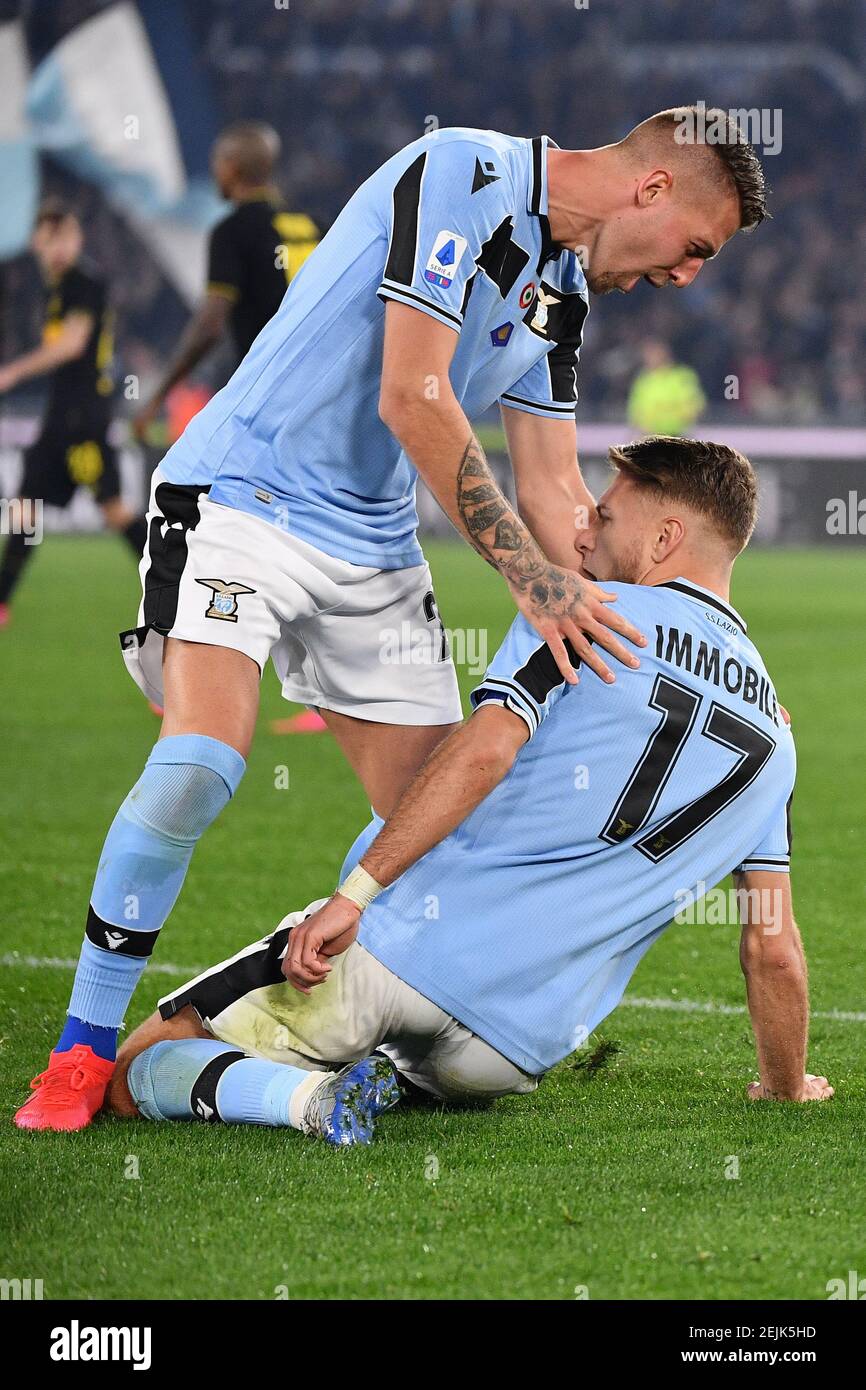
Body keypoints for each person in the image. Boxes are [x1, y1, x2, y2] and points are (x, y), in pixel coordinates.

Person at [15, 106, 768, 1132]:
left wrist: (652, 618)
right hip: (244, 497)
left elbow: (552, 490)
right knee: (203, 760)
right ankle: (81, 1048)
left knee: (431, 816)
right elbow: (411, 397)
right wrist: (533, 584)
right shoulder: (459, 170)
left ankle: (382, 1031)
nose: (685, 277)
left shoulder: (563, 295)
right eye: (693, 248)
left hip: (371, 545)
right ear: (650, 189)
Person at [102, 437, 831, 1147]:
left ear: (667, 535)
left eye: (606, 517)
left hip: (396, 954)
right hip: (506, 1054)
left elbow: (484, 752)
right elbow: (773, 946)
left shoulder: (590, 613)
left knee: (134, 1075)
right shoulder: (777, 742)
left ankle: (305, 1099)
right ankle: (361, 1076)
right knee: (388, 1052)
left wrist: (352, 895)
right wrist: (786, 1083)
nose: (584, 532)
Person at [0, 200, 145, 625]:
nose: (58, 248)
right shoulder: (57, 289)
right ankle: (3, 600)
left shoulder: (84, 282)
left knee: (115, 509)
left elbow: (72, 345)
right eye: (50, 240)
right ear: (37, 243)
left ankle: (173, 579)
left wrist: (12, 371)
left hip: (85, 415)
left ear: (78, 239)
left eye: (66, 237)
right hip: (59, 415)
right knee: (24, 506)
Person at [132, 121, 319, 438]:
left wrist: (159, 395)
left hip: (266, 397)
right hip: (319, 392)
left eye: (217, 163)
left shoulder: (231, 232)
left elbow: (210, 325)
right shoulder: (314, 226)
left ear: (231, 168)